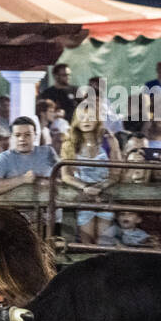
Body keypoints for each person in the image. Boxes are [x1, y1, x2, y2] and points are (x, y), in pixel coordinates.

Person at [59, 104, 119, 246]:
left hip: (105, 197)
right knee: (87, 243)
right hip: (83, 198)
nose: (86, 120)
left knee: (104, 243)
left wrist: (101, 187)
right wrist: (85, 187)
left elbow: (117, 172)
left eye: (90, 116)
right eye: (82, 117)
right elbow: (65, 175)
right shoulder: (69, 144)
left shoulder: (109, 141)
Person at [0, 118, 59, 196]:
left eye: (27, 135)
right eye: (17, 135)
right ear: (12, 137)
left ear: (35, 136)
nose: (22, 139)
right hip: (15, 207)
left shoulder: (48, 152)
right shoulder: (5, 158)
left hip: (50, 205)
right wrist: (22, 179)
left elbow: (64, 175)